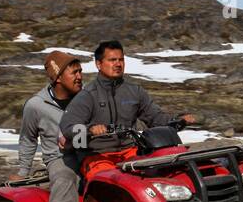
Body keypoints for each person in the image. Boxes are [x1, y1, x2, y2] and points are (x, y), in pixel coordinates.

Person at [59, 39, 195, 177]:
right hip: (98, 157)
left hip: (130, 152)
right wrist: (90, 130)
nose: (118, 64)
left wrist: (178, 120)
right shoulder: (87, 95)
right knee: (110, 183)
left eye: (121, 60)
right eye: (112, 60)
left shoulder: (135, 91)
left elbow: (155, 118)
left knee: (161, 173)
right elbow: (68, 127)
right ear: (98, 64)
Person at [17, 51, 86, 202]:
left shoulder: (85, 99)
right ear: (57, 78)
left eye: (80, 71)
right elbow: (28, 139)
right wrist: (23, 172)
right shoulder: (36, 106)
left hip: (88, 153)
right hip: (60, 158)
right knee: (65, 178)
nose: (80, 76)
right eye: (74, 72)